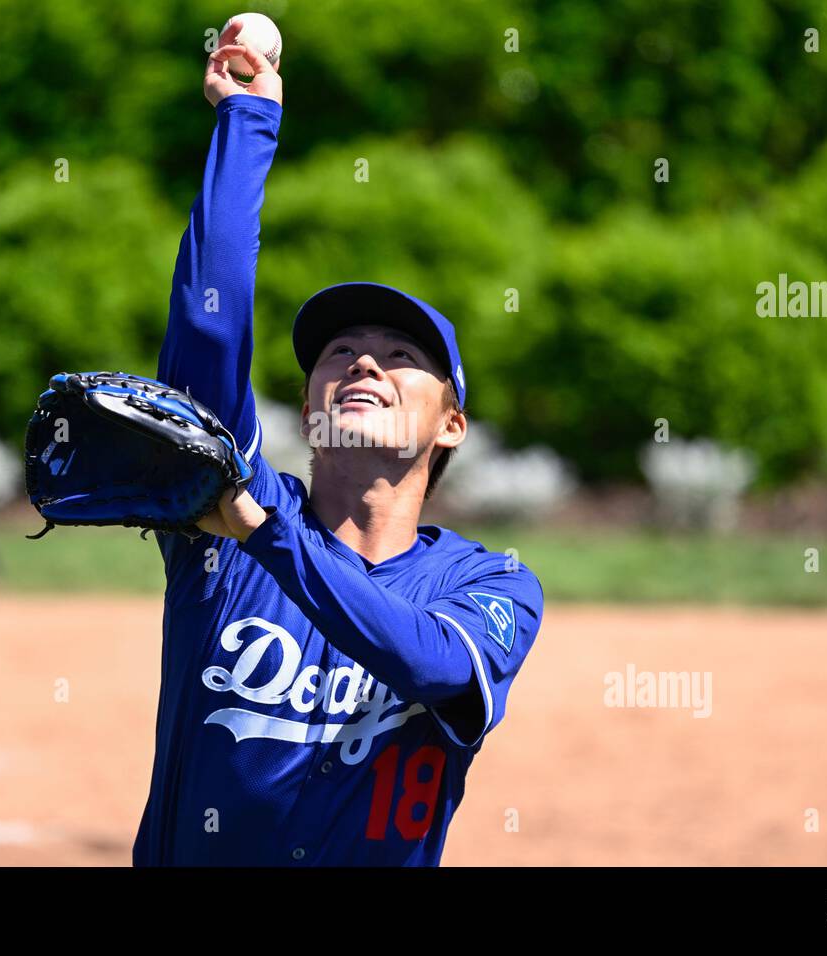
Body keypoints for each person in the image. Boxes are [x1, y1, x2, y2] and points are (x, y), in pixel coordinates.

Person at [132, 18, 545, 866]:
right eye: (337, 353)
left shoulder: (490, 581)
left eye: (401, 357)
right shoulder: (238, 499)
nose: (363, 360)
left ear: (453, 423)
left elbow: (430, 663)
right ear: (310, 399)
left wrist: (261, 532)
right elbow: (208, 332)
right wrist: (247, 125)